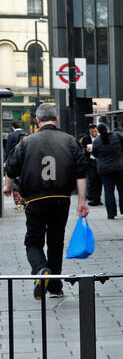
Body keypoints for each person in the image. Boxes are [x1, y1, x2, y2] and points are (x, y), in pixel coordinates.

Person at [2, 103, 89, 300]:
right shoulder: (70, 141)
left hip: (35, 199)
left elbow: (11, 167)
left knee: (33, 241)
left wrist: (8, 187)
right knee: (56, 241)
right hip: (61, 198)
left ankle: (41, 270)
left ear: (37, 121)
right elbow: (82, 172)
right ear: (56, 119)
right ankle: (55, 286)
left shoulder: (26, 143)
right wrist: (82, 201)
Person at [92, 119, 123, 220]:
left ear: (98, 131)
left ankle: (111, 214)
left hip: (105, 169)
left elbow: (94, 154)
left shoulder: (97, 141)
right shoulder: (116, 136)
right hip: (120, 167)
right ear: (107, 129)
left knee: (108, 191)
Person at [80, 130, 102, 206]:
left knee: (99, 181)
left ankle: (98, 198)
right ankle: (92, 198)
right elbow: (81, 149)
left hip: (99, 161)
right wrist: (86, 150)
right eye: (92, 132)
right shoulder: (86, 138)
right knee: (92, 180)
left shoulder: (100, 137)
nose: (94, 133)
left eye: (95, 131)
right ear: (89, 131)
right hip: (90, 162)